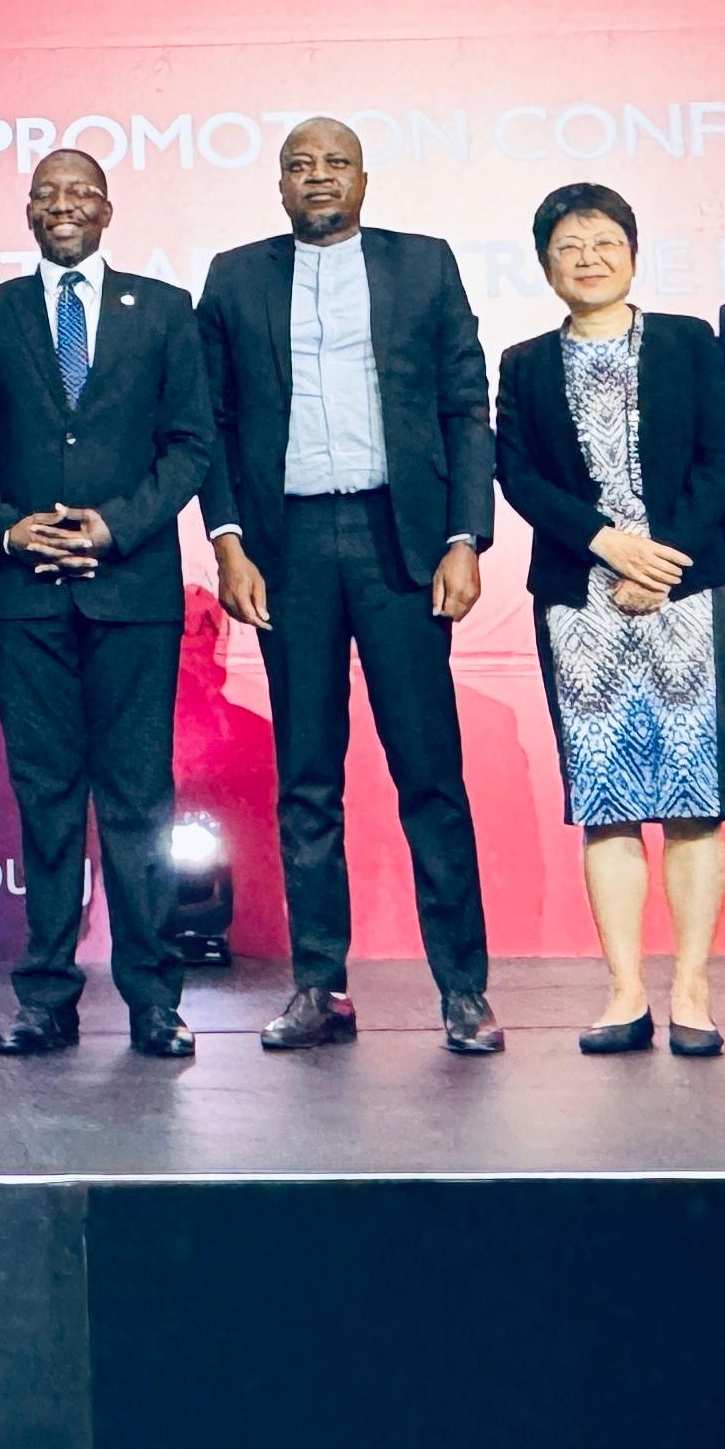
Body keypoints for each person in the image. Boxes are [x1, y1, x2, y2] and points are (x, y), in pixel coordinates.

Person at [200, 116, 504, 1058]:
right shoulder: (235, 277)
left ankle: (463, 990)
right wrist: (228, 541)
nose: (318, 177)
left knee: (429, 773)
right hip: (286, 545)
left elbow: (465, 406)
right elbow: (211, 420)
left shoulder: (423, 264)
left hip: (398, 541)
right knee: (306, 776)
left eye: (335, 163)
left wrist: (464, 537)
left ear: (364, 180)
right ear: (278, 186)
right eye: (299, 165)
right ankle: (318, 987)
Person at [0, 149, 210, 1060]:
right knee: (46, 799)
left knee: (138, 799)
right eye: (46, 195)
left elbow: (189, 446)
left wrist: (115, 526)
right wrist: (7, 529)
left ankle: (152, 999)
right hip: (23, 597)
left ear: (107, 209)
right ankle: (46, 997)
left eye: (79, 193)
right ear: (27, 212)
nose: (63, 206)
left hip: (131, 591)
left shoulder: (164, 310)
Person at [494, 184, 725, 1058]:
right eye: (568, 246)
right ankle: (625, 991)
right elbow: (517, 475)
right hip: (580, 601)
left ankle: (692, 991)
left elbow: (720, 460)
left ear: (632, 253)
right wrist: (606, 546)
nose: (587, 258)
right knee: (606, 802)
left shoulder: (688, 342)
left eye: (603, 242)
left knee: (693, 800)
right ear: (544, 266)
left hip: (682, 592)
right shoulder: (523, 363)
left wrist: (660, 559)